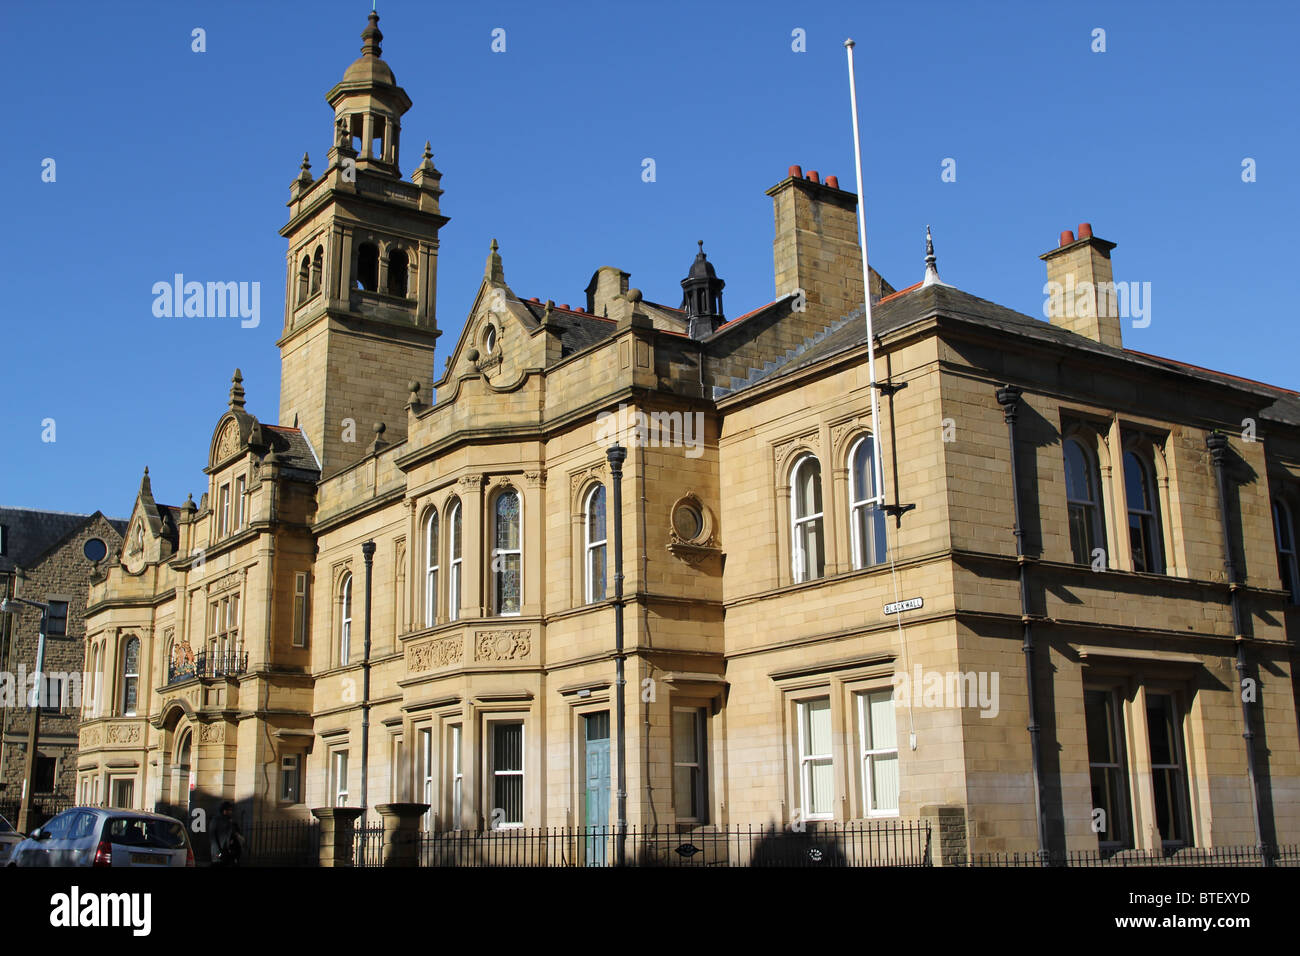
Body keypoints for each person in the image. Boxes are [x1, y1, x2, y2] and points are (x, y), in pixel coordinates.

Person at [209, 801, 243, 867]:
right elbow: (213, 839)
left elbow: (235, 835)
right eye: (229, 810)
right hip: (219, 852)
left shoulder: (231, 822)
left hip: (230, 853)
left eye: (231, 810)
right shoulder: (216, 820)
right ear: (224, 810)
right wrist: (218, 853)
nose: (231, 812)